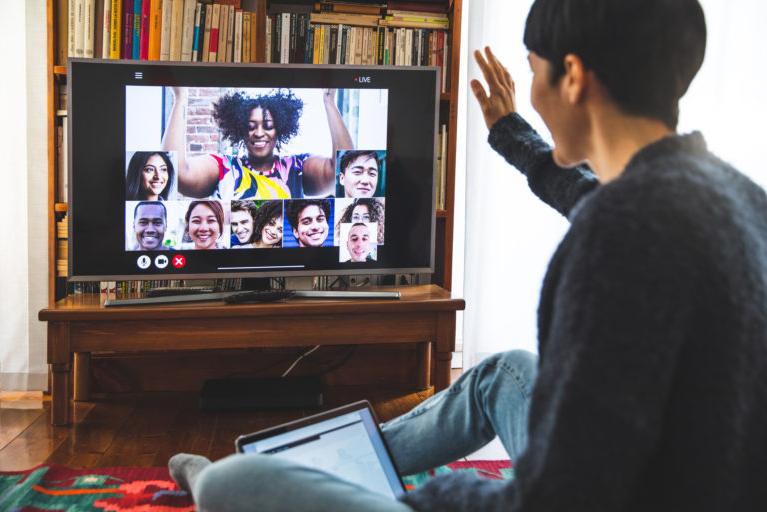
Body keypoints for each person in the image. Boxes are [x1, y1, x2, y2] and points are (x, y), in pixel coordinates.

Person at [168, 1, 767, 511]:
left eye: (534, 70)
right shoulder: (729, 194)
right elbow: (590, 196)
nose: (530, 90)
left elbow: (563, 499)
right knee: (503, 373)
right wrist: (510, 129)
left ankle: (259, 482)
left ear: (575, 77)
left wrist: (438, 496)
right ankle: (345, 462)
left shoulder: (619, 235)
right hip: (697, 480)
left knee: (232, 482)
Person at [163, 87, 353, 200]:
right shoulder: (224, 167)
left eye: (268, 126)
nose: (259, 133)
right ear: (239, 130)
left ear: (280, 129)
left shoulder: (296, 167)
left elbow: (344, 171)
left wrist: (329, 101)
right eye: (251, 126)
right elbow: (175, 174)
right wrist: (180, 100)